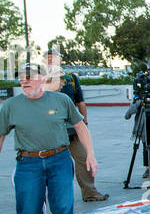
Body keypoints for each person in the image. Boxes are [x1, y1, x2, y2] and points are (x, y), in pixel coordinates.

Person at [0, 63, 97, 214]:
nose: (24, 81)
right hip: (29, 164)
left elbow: (80, 127)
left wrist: (90, 154)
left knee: (63, 211)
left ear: (43, 79)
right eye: (21, 78)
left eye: (29, 76)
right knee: (28, 212)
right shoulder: (11, 106)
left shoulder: (61, 101)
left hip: (60, 160)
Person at [45, 50, 108, 201]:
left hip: (72, 129)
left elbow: (80, 102)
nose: (50, 61)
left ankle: (89, 192)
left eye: (53, 58)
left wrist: (84, 123)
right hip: (51, 134)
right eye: (47, 59)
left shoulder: (70, 79)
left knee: (83, 158)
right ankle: (46, 200)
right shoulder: (39, 80)